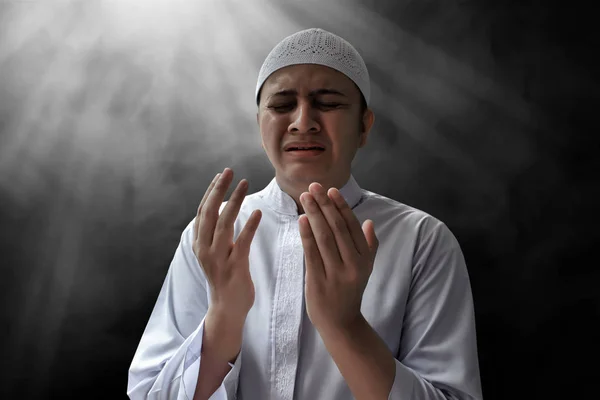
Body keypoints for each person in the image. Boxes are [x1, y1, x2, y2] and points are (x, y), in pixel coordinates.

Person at [127, 28, 483, 400]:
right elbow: (149, 395)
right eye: (281, 105)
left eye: (327, 103)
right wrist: (224, 319)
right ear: (260, 124)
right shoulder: (214, 235)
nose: (302, 121)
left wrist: (344, 326)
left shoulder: (422, 240)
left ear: (364, 126)